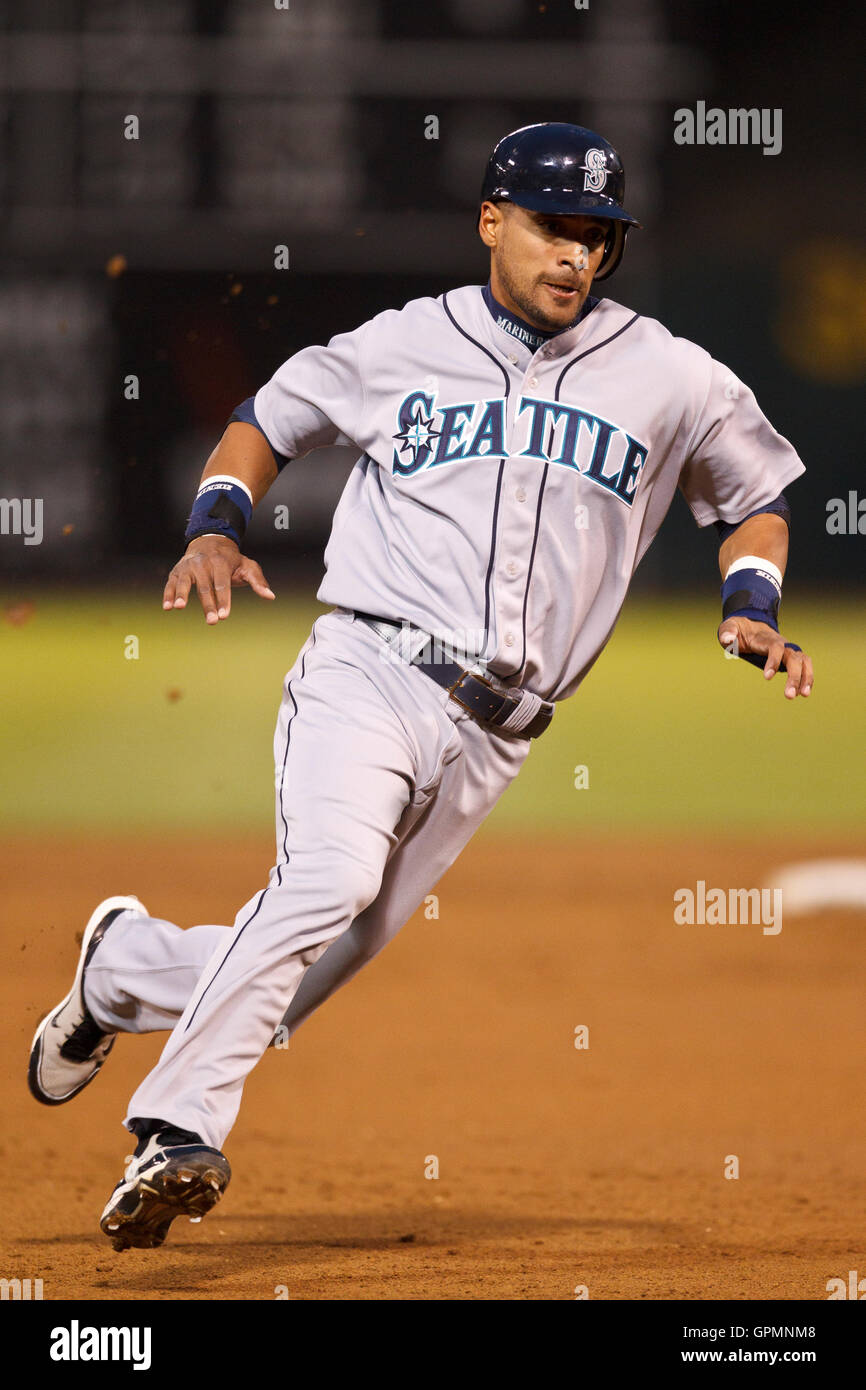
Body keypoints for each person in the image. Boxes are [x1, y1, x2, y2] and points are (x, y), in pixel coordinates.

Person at [28, 123, 813, 1251]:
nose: (574, 256)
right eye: (552, 227)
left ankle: (120, 967)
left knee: (294, 975)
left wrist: (751, 601)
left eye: (596, 236)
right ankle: (170, 1128)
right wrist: (215, 522)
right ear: (492, 220)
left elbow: (763, 491)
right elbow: (266, 420)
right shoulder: (403, 343)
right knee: (326, 882)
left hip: (501, 735)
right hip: (370, 666)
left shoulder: (670, 373)